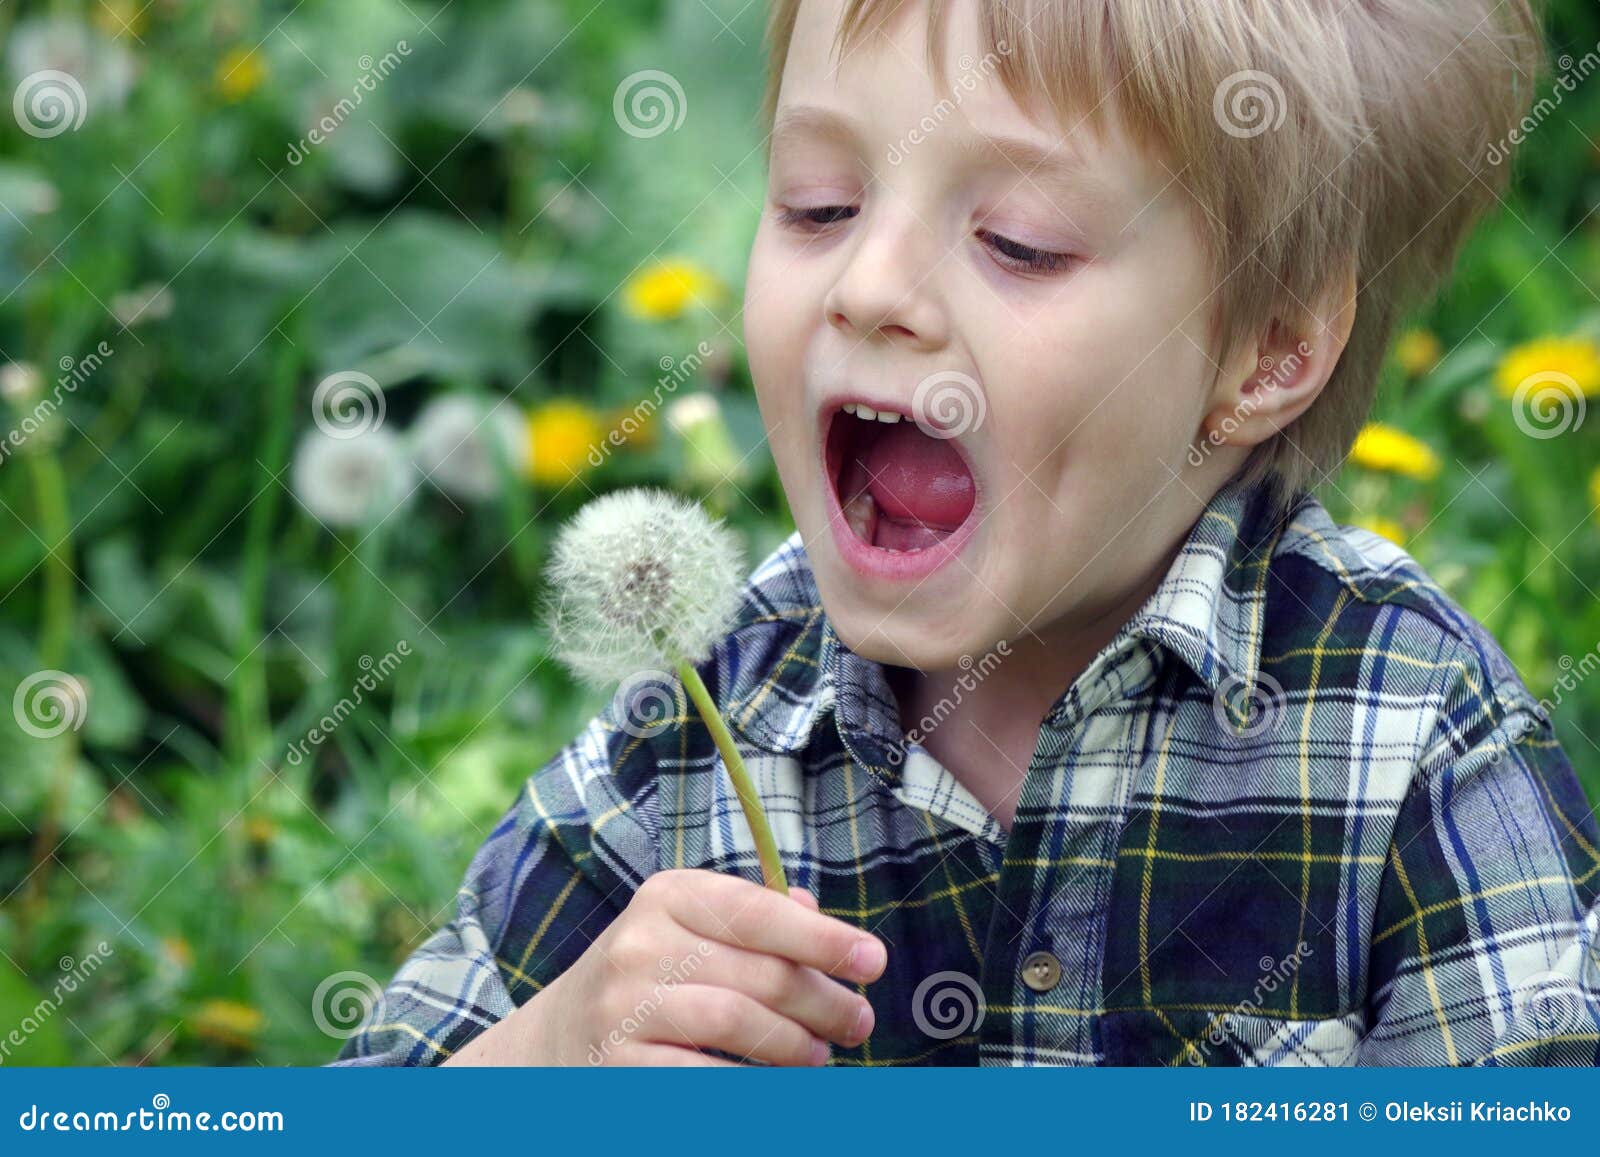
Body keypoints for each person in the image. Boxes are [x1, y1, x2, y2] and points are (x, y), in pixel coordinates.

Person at [333, 0, 1600, 1066]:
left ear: (1268, 347)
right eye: (819, 206)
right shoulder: (700, 722)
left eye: (1017, 243)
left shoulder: (1412, 735)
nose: (869, 286)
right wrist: (548, 1055)